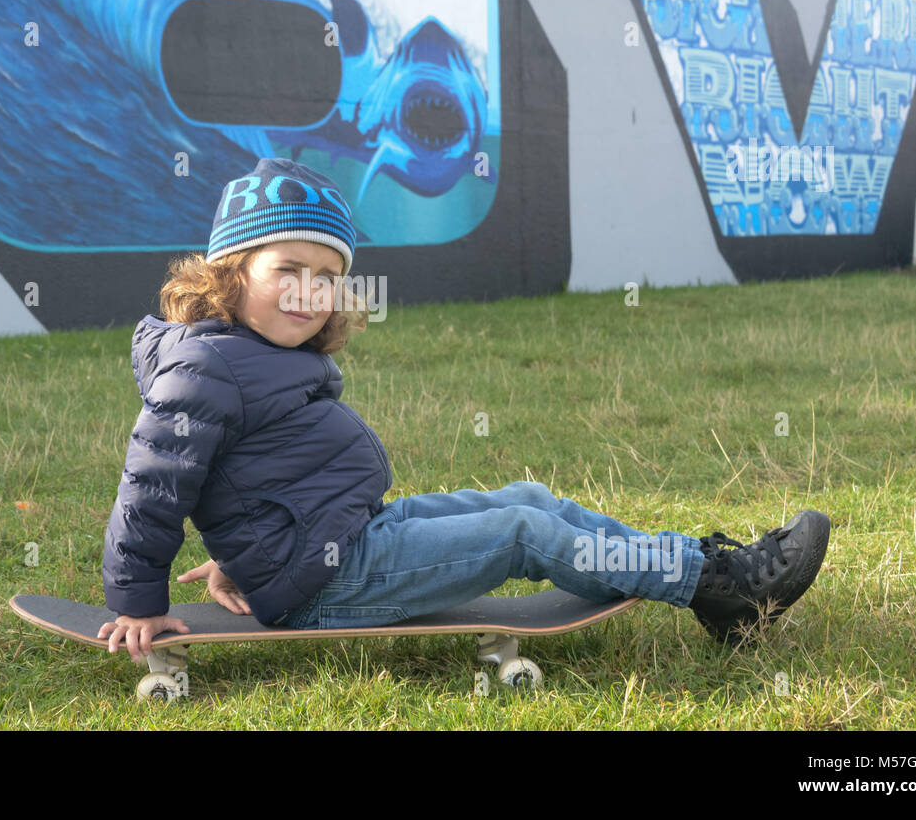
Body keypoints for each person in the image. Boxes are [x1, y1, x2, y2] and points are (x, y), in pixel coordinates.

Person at [99, 157, 830, 662]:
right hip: (330, 581)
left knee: (528, 497)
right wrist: (139, 598)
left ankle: (708, 564)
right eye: (286, 269)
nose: (308, 291)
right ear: (229, 273)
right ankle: (716, 591)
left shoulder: (249, 352)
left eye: (325, 275)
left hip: (347, 540)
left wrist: (239, 555)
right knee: (520, 531)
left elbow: (249, 474)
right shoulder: (204, 364)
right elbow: (153, 485)